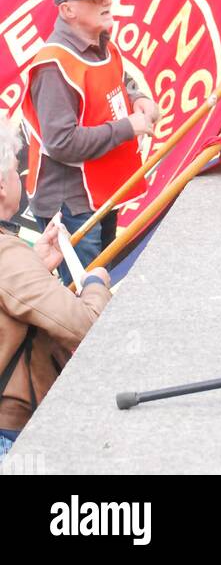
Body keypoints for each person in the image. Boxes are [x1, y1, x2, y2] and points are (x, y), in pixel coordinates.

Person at [19, 0, 157, 283]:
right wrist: (129, 127)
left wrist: (139, 99)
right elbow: (62, 143)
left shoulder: (103, 45)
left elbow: (116, 85)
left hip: (101, 192)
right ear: (68, 10)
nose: (106, 0)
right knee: (84, 297)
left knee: (101, 286)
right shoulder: (54, 67)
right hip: (72, 204)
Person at [0, 117, 111, 459]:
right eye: (17, 170)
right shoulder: (7, 256)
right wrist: (97, 284)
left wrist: (33, 262)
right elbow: (86, 326)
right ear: (2, 186)